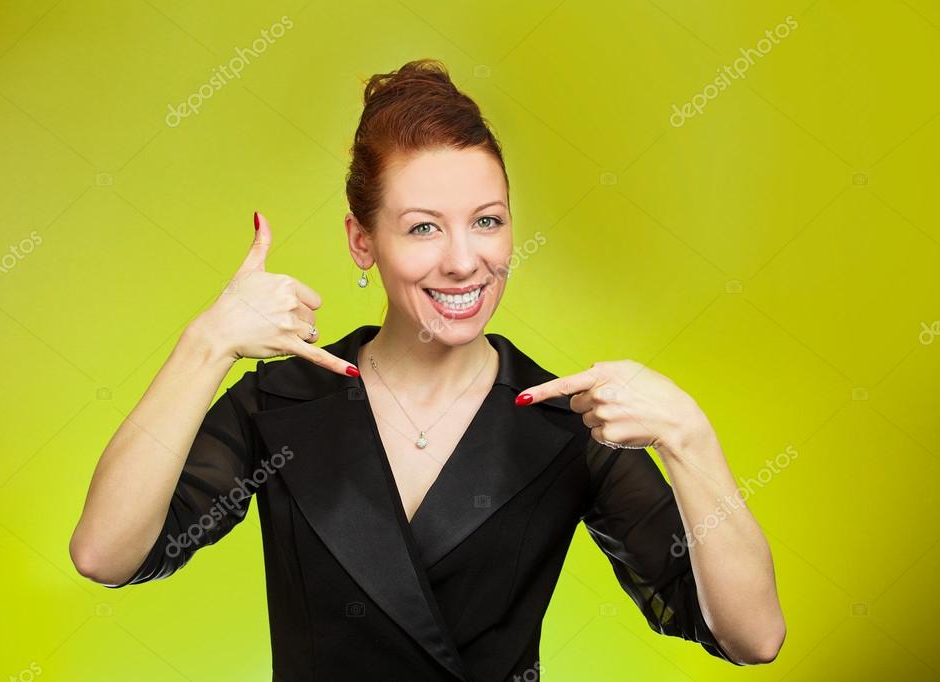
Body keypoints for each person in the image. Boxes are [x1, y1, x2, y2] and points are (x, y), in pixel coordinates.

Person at [69, 59, 785, 680]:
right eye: (421, 227)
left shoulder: (565, 423)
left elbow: (750, 637)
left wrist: (689, 438)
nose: (463, 260)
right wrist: (208, 342)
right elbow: (106, 553)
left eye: (487, 220)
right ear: (361, 240)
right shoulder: (281, 402)